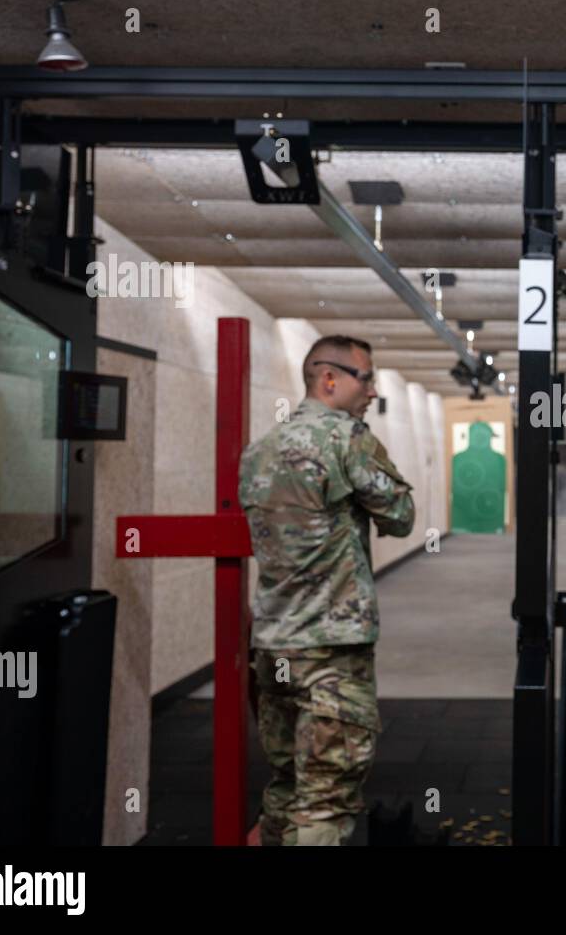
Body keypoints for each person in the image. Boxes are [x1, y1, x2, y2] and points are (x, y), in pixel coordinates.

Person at [239, 334, 414, 845]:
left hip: (273, 648)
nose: (374, 390)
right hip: (331, 652)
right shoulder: (346, 439)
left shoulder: (259, 449)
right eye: (367, 377)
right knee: (326, 799)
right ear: (330, 378)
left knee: (287, 786)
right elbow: (401, 516)